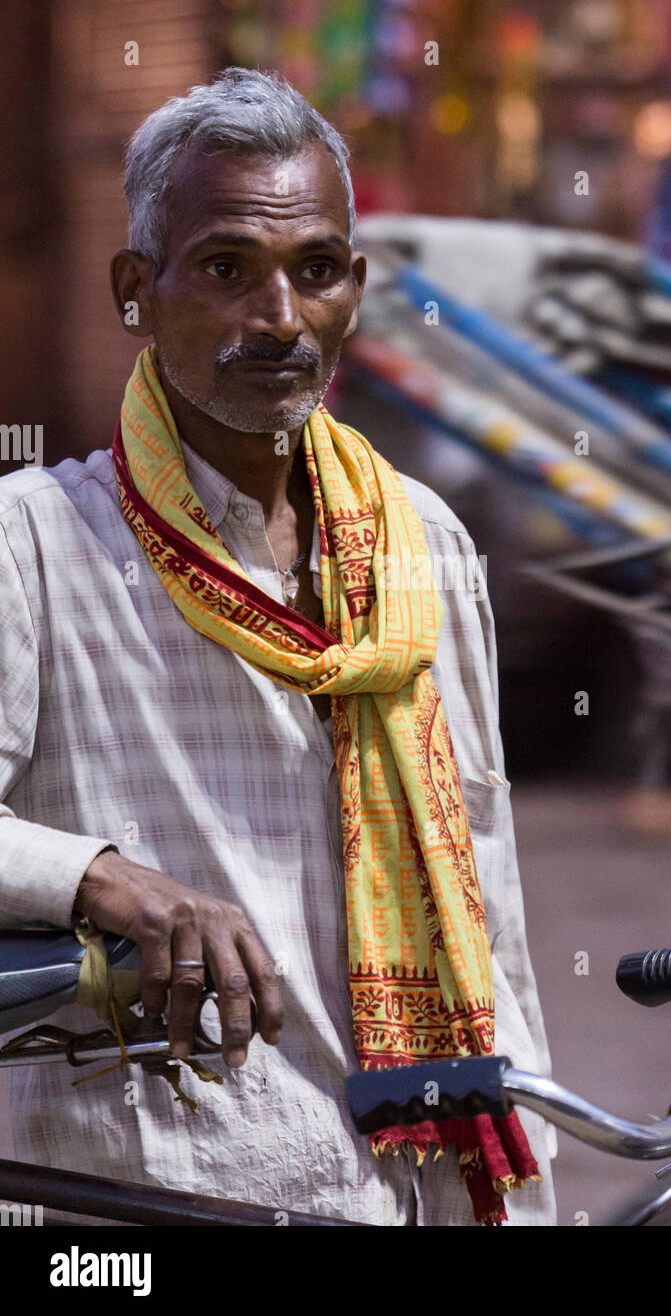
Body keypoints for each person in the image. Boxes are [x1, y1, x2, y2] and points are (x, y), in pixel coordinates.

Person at [0, 68, 556, 1226]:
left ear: (354, 289)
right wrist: (109, 880)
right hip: (155, 1198)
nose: (279, 318)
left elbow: (485, 890)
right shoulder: (35, 544)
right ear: (134, 292)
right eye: (224, 269)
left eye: (314, 272)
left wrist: (526, 1189)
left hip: (407, 1182)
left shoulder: (426, 546)